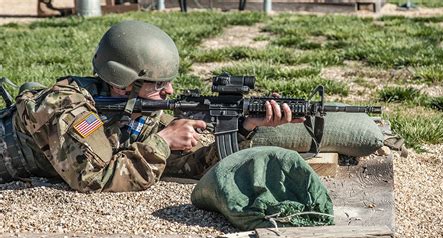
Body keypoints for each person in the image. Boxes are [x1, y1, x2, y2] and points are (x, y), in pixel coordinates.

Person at [5, 20, 303, 192]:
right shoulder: (67, 109)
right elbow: (94, 180)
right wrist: (163, 141)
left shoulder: (134, 112)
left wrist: (244, 127)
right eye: (158, 85)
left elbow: (189, 165)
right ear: (124, 84)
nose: (169, 91)